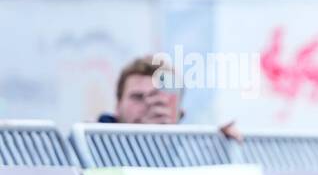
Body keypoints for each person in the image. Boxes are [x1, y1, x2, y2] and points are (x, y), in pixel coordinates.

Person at [100, 56, 241, 140]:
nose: (149, 105)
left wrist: (220, 146)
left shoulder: (194, 153)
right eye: (138, 97)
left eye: (159, 101)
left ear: (180, 113)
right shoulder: (91, 147)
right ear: (117, 106)